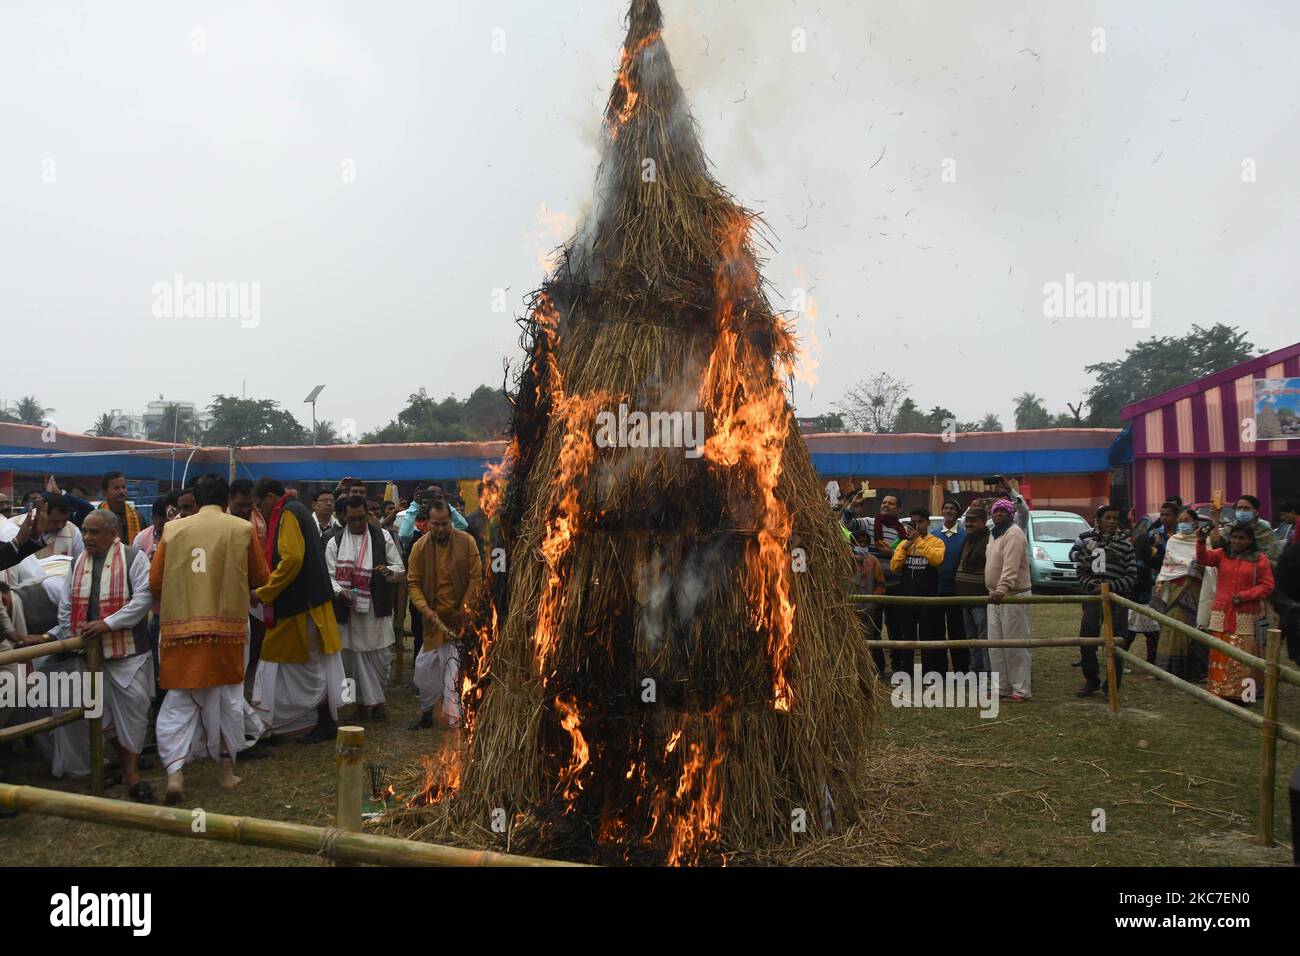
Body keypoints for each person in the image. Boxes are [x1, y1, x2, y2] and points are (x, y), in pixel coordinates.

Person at [151, 475, 270, 803]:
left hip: (179, 633)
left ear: (197, 498)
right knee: (228, 700)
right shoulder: (242, 529)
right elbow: (261, 577)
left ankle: (175, 774)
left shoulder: (173, 530)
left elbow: (156, 582)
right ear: (227, 498)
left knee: (178, 703)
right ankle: (226, 773)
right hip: (229, 632)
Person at [46, 510, 156, 801]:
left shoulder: (135, 557)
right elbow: (67, 603)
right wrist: (72, 638)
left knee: (134, 709)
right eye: (84, 530)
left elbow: (144, 598)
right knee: (100, 713)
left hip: (128, 652)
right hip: (89, 653)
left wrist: (107, 624)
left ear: (113, 533)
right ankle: (128, 767)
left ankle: (130, 771)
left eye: (94, 532)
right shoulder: (78, 562)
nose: (87, 537)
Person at [250, 477, 345, 743]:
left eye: (260, 505)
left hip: (301, 607)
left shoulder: (288, 513)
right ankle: (309, 721)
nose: (261, 511)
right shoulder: (297, 510)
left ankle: (277, 723)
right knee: (312, 665)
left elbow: (292, 559)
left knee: (272, 662)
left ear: (270, 497)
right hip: (310, 603)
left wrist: (265, 592)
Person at [326, 496, 405, 721]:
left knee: (379, 658)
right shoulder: (335, 542)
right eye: (352, 519)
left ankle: (378, 703)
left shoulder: (383, 536)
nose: (358, 523)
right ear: (344, 517)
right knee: (349, 662)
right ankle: (353, 706)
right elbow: (329, 576)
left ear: (367, 515)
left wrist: (389, 572)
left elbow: (399, 568)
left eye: (362, 518)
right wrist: (340, 591)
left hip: (374, 608)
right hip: (348, 611)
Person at [408, 499, 482, 730]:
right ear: (427, 523)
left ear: (452, 522)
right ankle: (427, 714)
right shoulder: (419, 547)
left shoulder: (467, 542)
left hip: (459, 623)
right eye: (435, 524)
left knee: (454, 673)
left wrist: (464, 611)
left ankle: (455, 720)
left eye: (445, 524)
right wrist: (425, 609)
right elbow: (413, 583)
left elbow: (476, 579)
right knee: (424, 672)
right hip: (433, 623)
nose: (440, 529)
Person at [1197, 522, 1274, 704]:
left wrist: (1246, 595)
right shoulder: (1223, 554)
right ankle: (1218, 691)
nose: (1237, 541)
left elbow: (1267, 585)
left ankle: (1246, 695)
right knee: (1220, 650)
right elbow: (1204, 559)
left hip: (1246, 613)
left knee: (1247, 654)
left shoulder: (1259, 559)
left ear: (1250, 540)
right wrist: (1200, 541)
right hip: (1222, 612)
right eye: (1234, 537)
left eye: (1242, 538)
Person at [1070, 504, 1137, 698]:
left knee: (1116, 642)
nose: (1112, 521)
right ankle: (1091, 680)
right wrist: (1092, 586)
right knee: (1087, 639)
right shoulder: (1090, 543)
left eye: (1115, 518)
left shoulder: (1126, 545)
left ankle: (1112, 685)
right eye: (1107, 518)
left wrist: (1111, 588)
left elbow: (1132, 576)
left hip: (1116, 600)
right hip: (1093, 598)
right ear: (1099, 521)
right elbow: (1081, 571)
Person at [888, 508, 947, 675]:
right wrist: (906, 546)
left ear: (927, 522)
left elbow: (937, 560)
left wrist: (919, 541)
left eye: (920, 522)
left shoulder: (936, 542)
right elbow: (894, 567)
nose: (916, 526)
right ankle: (906, 672)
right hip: (907, 598)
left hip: (928, 598)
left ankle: (929, 673)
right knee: (907, 637)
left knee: (928, 637)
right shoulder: (903, 544)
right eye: (913, 523)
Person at [985, 498, 1032, 701]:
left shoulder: (1014, 534)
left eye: (1003, 512)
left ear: (1011, 514)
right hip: (994, 595)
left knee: (1014, 644)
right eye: (996, 512)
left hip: (1012, 595)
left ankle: (1021, 690)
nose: (998, 515)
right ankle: (1001, 687)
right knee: (995, 644)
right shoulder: (994, 534)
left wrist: (1001, 589)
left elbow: (1010, 567)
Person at [1151, 506, 1205, 680]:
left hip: (1195, 589)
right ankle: (1168, 668)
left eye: (1186, 521)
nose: (1183, 524)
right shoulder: (1174, 540)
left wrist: (1201, 568)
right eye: (1181, 521)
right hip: (1175, 588)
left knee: (1192, 629)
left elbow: (1210, 565)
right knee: (1171, 627)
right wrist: (1161, 582)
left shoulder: (1204, 541)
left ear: (1195, 523)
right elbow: (1168, 564)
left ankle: (1191, 671)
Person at [932, 500, 969, 671]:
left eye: (952, 508)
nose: (949, 511)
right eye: (945, 508)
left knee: (958, 631)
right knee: (937, 631)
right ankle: (939, 669)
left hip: (957, 590)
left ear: (957, 513)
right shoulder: (933, 535)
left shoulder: (965, 535)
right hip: (937, 590)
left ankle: (961, 669)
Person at [954, 507, 991, 674]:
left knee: (984, 638)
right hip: (965, 597)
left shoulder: (989, 540)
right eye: (967, 520)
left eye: (974, 520)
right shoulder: (967, 539)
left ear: (983, 522)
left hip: (980, 597)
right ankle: (976, 669)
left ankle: (988, 673)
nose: (969, 523)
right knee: (971, 637)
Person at [849, 531, 887, 674]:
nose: (862, 545)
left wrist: (871, 604)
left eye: (865, 543)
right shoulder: (845, 560)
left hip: (868, 611)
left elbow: (880, 585)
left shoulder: (872, 561)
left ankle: (866, 672)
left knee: (868, 641)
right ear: (853, 544)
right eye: (859, 542)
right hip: (848, 610)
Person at [1212, 495, 1279, 562]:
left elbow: (1274, 560)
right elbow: (1216, 544)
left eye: (1246, 508)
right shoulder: (1231, 527)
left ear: (1256, 512)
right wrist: (1216, 519)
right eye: (1239, 508)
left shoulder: (1265, 532)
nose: (1242, 511)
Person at [34, 495, 84, 560]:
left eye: (65, 520)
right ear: (42, 515)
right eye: (55, 521)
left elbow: (80, 562)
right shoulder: (21, 529)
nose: (60, 526)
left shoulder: (73, 532)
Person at [98, 471, 142, 544]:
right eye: (116, 488)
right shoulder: (97, 518)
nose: (121, 491)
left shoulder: (138, 517)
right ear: (104, 493)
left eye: (123, 487)